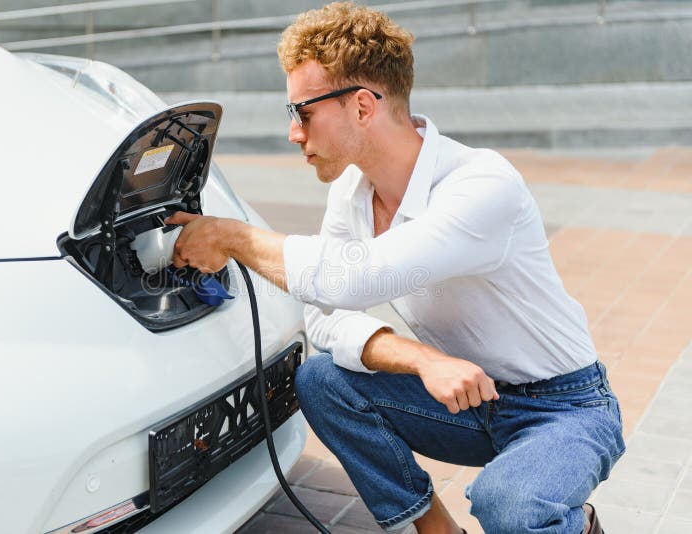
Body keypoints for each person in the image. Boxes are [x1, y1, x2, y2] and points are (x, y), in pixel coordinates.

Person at [166, 2, 624, 532]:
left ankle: (573, 519)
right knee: (322, 380)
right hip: (473, 398)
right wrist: (422, 359)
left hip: (565, 406)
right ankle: (435, 528)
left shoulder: (481, 185)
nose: (294, 133)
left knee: (510, 505)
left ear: (363, 106)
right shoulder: (351, 192)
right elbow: (324, 315)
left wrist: (231, 236)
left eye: (303, 111)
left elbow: (355, 277)